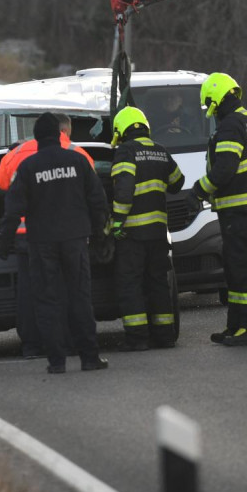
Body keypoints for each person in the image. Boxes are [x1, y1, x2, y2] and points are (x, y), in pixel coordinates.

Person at [0, 112, 109, 375]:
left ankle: (56, 361)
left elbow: (13, 208)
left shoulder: (28, 167)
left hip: (41, 243)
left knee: (47, 301)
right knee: (80, 298)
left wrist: (4, 243)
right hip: (75, 240)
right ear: (59, 135)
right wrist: (100, 236)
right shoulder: (78, 160)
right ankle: (89, 357)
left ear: (37, 137)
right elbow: (98, 200)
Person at [188, 73, 247, 347]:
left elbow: (224, 168)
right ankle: (236, 325)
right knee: (235, 267)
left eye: (210, 106)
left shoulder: (231, 125)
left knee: (242, 266)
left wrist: (199, 190)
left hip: (240, 206)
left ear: (216, 101)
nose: (211, 113)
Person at [108, 106, 185, 351]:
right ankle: (165, 336)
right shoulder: (160, 150)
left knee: (130, 284)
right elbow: (178, 182)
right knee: (158, 283)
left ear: (121, 131)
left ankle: (137, 338)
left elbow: (124, 190)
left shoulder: (126, 151)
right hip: (158, 232)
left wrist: (117, 222)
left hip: (133, 233)